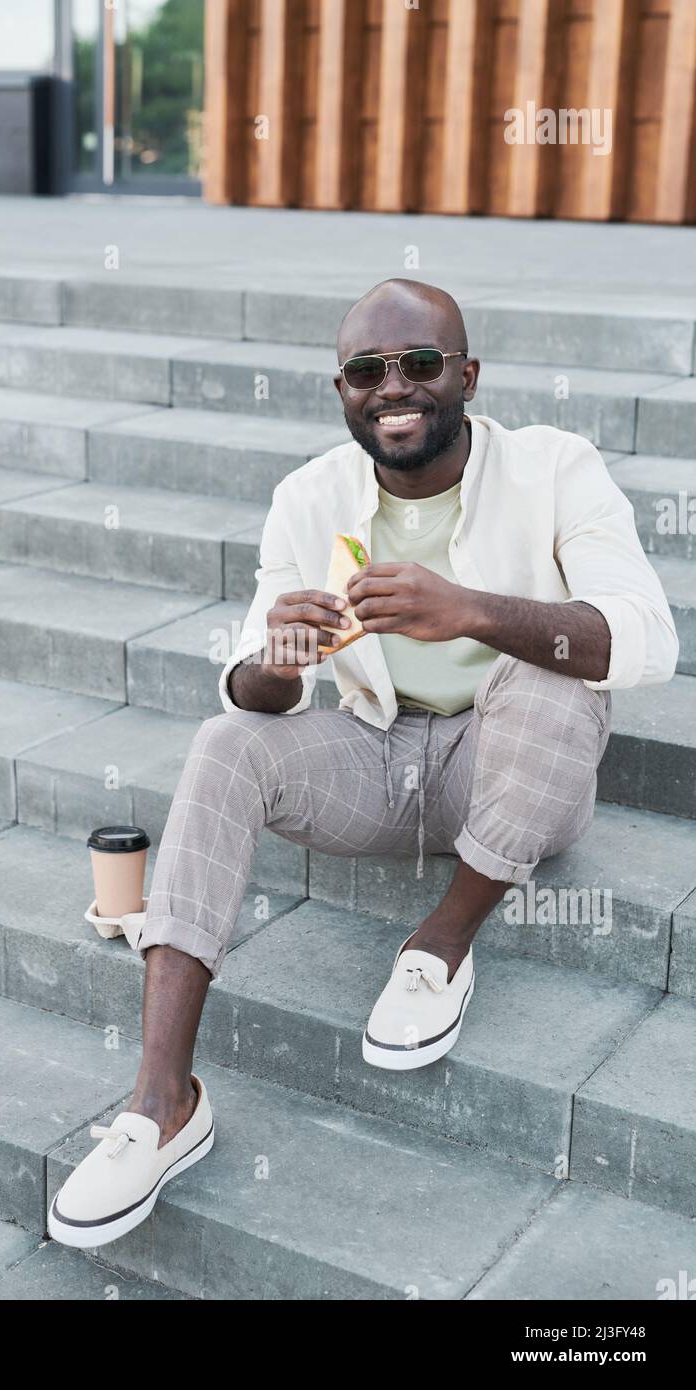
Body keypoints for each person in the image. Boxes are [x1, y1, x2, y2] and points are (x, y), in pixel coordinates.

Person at [48, 278, 678, 1248]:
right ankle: (157, 1105)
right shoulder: (307, 498)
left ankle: (437, 946)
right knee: (226, 740)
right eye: (364, 372)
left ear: (464, 376)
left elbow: (642, 638)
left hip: (517, 767)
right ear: (339, 390)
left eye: (421, 365)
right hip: (379, 762)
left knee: (553, 679)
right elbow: (256, 693)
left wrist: (470, 610)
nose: (394, 387)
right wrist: (273, 661)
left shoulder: (555, 467)